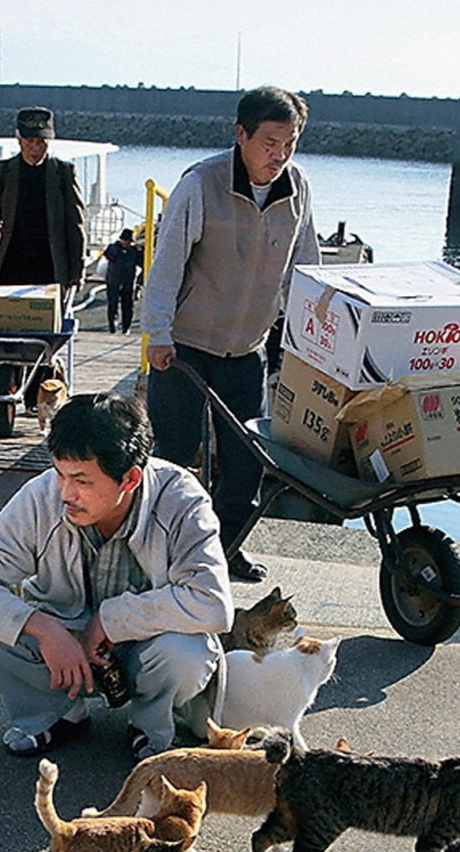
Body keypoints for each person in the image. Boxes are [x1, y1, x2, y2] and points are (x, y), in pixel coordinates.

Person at [0, 393, 231, 761]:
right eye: (59, 473)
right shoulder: (42, 496)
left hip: (143, 650)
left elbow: (213, 604)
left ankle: (149, 727)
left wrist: (110, 620)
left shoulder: (182, 501)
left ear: (130, 478)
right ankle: (54, 716)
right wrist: (41, 626)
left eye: (81, 480)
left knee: (187, 652)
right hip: (59, 646)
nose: (65, 493)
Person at [140, 86, 320, 584]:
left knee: (246, 461)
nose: (280, 155)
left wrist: (311, 342)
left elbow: (306, 269)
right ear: (241, 134)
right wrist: (157, 332)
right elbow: (166, 265)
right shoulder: (200, 184)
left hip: (247, 349)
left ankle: (227, 548)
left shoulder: (299, 187)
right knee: (174, 456)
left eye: (290, 144)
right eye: (269, 143)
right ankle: (158, 551)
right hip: (185, 347)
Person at [0, 107, 86, 408]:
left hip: (50, 263)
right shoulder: (3, 171)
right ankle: (8, 384)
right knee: (8, 331)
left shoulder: (63, 172)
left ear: (50, 142)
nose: (36, 148)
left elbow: (76, 224)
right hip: (12, 261)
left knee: (44, 334)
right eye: (30, 141)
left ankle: (40, 392)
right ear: (19, 139)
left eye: (42, 142)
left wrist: (77, 270)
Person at [102, 227, 142, 334]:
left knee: (128, 306)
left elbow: (143, 265)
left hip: (128, 282)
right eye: (125, 240)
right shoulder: (113, 248)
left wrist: (139, 283)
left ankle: (126, 327)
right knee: (112, 305)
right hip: (113, 281)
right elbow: (108, 255)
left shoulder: (135, 252)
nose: (126, 243)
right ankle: (113, 327)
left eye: (128, 241)